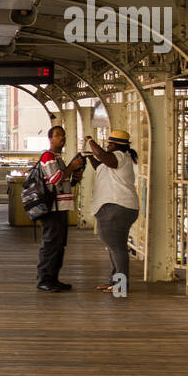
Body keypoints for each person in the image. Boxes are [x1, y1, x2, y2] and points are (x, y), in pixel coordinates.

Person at [84, 129, 141, 293]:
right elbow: (99, 165)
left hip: (117, 207)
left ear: (115, 145)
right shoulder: (117, 159)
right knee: (114, 247)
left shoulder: (120, 157)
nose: (107, 146)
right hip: (119, 207)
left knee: (117, 248)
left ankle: (120, 285)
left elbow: (103, 157)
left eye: (109, 144)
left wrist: (90, 141)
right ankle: (115, 282)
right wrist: (88, 156)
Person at [36, 125, 86, 292]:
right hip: (52, 208)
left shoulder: (58, 158)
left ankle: (53, 278)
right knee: (50, 243)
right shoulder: (48, 157)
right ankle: (44, 279)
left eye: (63, 135)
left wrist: (74, 178)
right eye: (57, 135)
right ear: (50, 139)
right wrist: (72, 167)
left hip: (60, 207)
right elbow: (56, 178)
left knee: (58, 244)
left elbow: (63, 182)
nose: (61, 138)